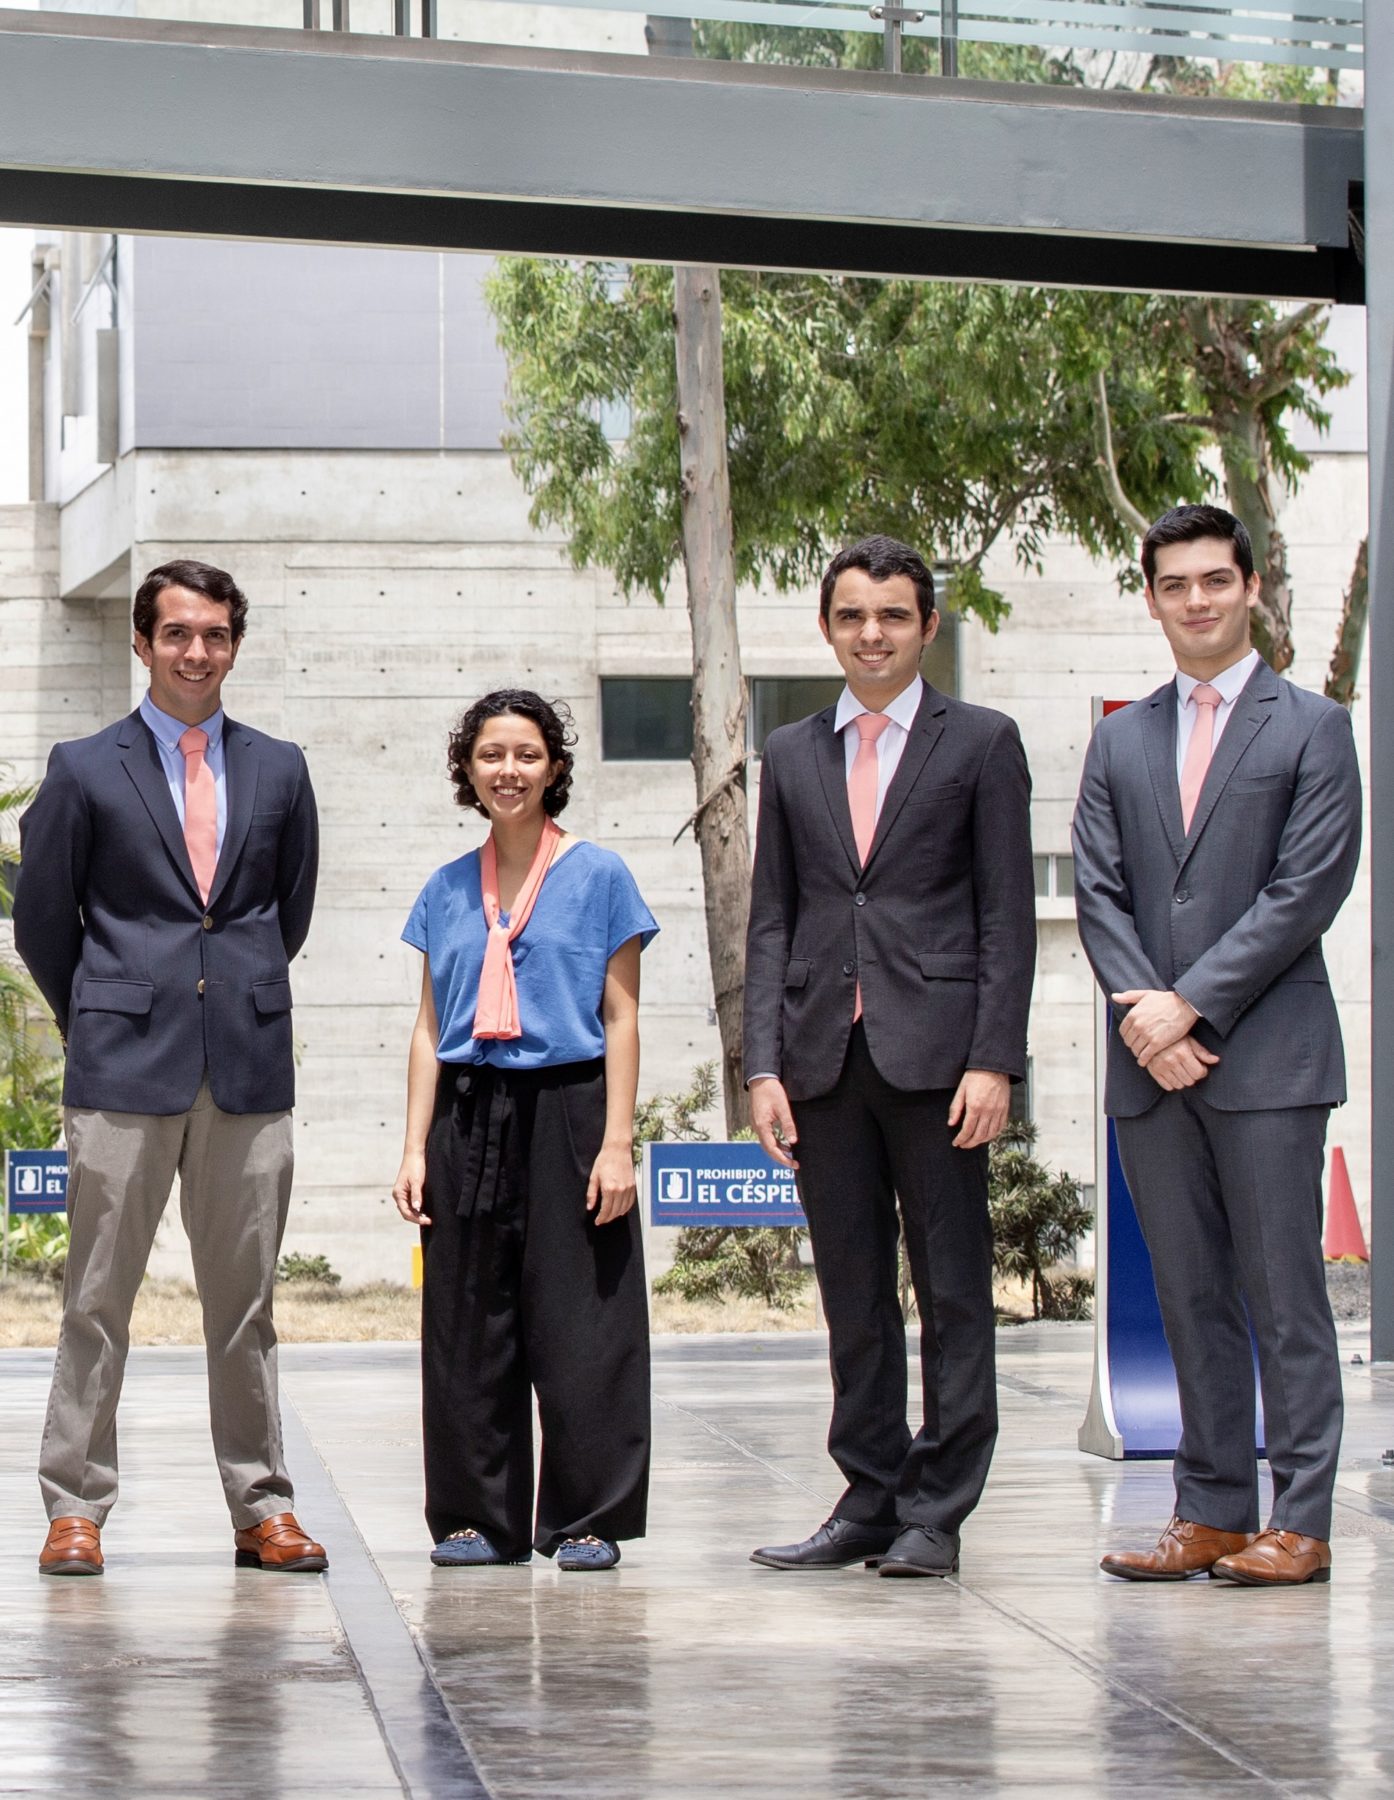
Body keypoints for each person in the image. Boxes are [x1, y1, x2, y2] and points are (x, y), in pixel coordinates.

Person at [14, 559, 324, 1578]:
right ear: (141, 645)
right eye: (179, 634)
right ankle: (76, 1506)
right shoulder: (83, 767)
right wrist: (100, 1012)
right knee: (96, 1300)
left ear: (236, 644)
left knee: (244, 1306)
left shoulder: (278, 768)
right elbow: (42, 922)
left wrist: (228, 994)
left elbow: (288, 912)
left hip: (245, 1061)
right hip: (120, 1071)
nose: (199, 652)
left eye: (217, 635)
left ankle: (262, 1504)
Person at [1073, 504, 1361, 1588]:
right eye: (1171, 584)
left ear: (1249, 589)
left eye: (1211, 581)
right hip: (1149, 1069)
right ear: (1150, 599)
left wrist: (1183, 1008)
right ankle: (1208, 1513)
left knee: (1282, 1296)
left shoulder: (1309, 727)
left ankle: (1300, 1520)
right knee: (1187, 1293)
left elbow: (1303, 893)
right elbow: (1097, 893)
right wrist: (1147, 1023)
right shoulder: (1118, 738)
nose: (1192, 600)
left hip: (1266, 1060)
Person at [744, 535, 1036, 1578]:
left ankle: (934, 1513)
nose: (872, 634)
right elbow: (771, 915)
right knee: (851, 1292)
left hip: (941, 1060)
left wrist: (994, 1058)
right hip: (823, 1060)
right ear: (826, 628)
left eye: (893, 616)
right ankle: (867, 1497)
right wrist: (761, 1064)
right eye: (852, 616)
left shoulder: (981, 743)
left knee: (953, 1293)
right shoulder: (788, 753)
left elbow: (1006, 916)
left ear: (926, 627)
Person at [392, 690, 657, 1572]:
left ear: (555, 769)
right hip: (468, 1113)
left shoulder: (601, 876)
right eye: (492, 755)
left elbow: (621, 1016)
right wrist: (412, 1147)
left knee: (584, 1320)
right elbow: (431, 1028)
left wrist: (618, 1142)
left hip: (571, 1106)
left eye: (528, 755)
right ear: (468, 770)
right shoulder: (443, 889)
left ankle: (587, 1518)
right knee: (467, 1322)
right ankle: (476, 1518)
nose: (510, 770)